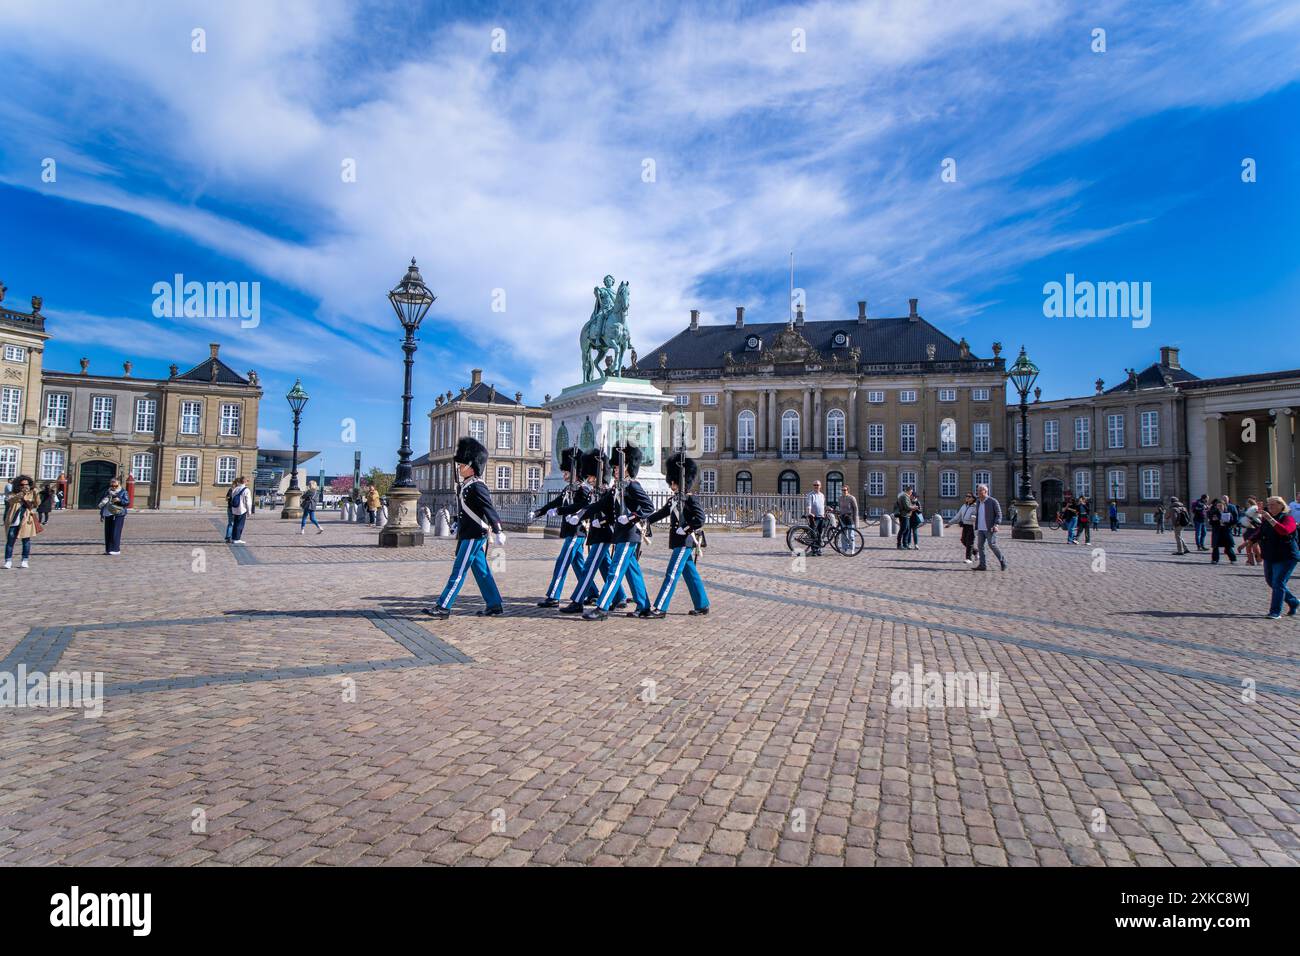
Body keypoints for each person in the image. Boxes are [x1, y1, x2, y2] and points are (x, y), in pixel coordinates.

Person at [425, 437, 505, 619]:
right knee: (482, 571)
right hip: (468, 533)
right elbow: (466, 511)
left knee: (458, 571)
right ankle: (494, 604)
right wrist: (456, 523)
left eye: (462, 465)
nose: (459, 468)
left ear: (471, 465)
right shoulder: (467, 486)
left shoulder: (477, 486)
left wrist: (498, 529)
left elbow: (488, 508)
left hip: (474, 535)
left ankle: (443, 606)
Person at [582, 444, 654, 621]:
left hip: (629, 535)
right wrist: (580, 513)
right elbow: (601, 505)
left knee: (615, 571)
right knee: (633, 570)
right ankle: (644, 606)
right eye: (614, 468)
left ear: (626, 467)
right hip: (621, 534)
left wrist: (631, 518)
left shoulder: (632, 486)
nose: (614, 470)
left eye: (616, 467)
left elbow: (649, 507)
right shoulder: (617, 487)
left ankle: (602, 607)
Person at [643, 452, 709, 618]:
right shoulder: (674, 500)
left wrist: (686, 528)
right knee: (690, 574)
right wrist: (646, 520)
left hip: (685, 541)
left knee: (671, 574)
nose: (671, 485)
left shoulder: (690, 499)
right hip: (679, 542)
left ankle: (660, 607)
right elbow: (661, 513)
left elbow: (700, 519)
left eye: (673, 482)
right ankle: (702, 604)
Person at [560, 450, 627, 614]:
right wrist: (579, 515)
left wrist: (601, 521)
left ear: (598, 476)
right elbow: (591, 508)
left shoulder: (605, 491)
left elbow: (613, 514)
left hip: (604, 534)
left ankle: (577, 600)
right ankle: (620, 597)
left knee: (589, 568)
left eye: (590, 476)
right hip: (596, 534)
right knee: (605, 566)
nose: (588, 479)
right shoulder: (594, 491)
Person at [531, 448, 591, 608]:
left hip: (577, 531)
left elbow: (585, 506)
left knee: (562, 562)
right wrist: (539, 512)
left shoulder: (583, 489)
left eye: (566, 472)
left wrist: (562, 511)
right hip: (571, 532)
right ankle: (592, 592)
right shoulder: (569, 488)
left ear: (576, 472)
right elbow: (556, 502)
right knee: (578, 564)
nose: (564, 475)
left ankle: (554, 595)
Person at [1257, 496, 1300, 619]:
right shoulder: (1266, 520)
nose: (1269, 507)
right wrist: (1248, 541)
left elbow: (1284, 531)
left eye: (1273, 505)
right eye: (1268, 505)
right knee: (1271, 581)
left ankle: (1275, 612)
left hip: (1287, 556)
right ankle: (1293, 601)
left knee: (1278, 582)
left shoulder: (1288, 518)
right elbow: (1261, 532)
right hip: (1271, 555)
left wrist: (1269, 518)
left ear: (1281, 506)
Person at [4, 475, 38, 569]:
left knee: (26, 540)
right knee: (10, 540)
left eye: (26, 484)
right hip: (14, 520)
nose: (25, 486)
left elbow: (36, 504)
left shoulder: (31, 493)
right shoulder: (13, 493)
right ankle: (8, 560)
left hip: (26, 520)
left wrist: (35, 494)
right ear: (18, 485)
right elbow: (11, 500)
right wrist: (21, 493)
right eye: (22, 485)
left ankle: (25, 560)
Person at [972, 483, 1006, 571]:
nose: (978, 493)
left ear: (986, 491)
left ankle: (1002, 561)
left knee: (992, 545)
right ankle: (982, 565)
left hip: (990, 528)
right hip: (980, 528)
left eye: (980, 491)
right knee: (980, 546)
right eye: (978, 491)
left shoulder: (993, 501)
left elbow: (999, 514)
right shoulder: (978, 502)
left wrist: (996, 524)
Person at [99, 477, 129, 555]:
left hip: (118, 513)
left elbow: (127, 502)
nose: (114, 487)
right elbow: (103, 504)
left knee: (115, 531)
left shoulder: (123, 492)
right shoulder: (107, 492)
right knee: (108, 532)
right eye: (112, 486)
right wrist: (101, 514)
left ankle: (116, 549)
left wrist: (119, 500)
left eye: (115, 486)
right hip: (108, 513)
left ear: (119, 484)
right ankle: (108, 549)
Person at [950, 491, 977, 564]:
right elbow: (958, 516)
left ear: (973, 498)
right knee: (963, 541)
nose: (967, 498)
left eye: (969, 496)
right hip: (965, 526)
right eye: (966, 496)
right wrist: (950, 523)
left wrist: (974, 517)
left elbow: (977, 516)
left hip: (972, 526)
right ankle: (975, 552)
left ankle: (968, 558)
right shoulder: (964, 506)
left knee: (969, 542)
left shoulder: (976, 506)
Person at [1207, 497, 1236, 564]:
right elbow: (1211, 522)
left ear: (1224, 505)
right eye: (1218, 506)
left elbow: (1232, 521)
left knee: (1228, 546)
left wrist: (1227, 522)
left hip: (1226, 531)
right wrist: (1213, 520)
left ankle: (1233, 559)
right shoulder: (1214, 512)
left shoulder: (1227, 512)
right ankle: (1215, 559)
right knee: (1215, 546)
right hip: (1217, 531)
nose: (1219, 507)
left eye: (1221, 505)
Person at [806, 480, 827, 556]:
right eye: (814, 485)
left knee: (820, 533)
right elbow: (809, 505)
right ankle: (814, 550)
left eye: (817, 485)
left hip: (821, 516)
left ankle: (819, 549)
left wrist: (825, 512)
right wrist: (809, 513)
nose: (816, 486)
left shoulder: (822, 495)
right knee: (813, 533)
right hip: (814, 517)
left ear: (820, 486)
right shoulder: (810, 495)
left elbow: (822, 505)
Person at [229, 476, 253, 543]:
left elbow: (232, 498)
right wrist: (249, 511)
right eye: (247, 481)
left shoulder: (236, 489)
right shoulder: (246, 490)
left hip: (235, 508)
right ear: (245, 482)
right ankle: (237, 539)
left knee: (235, 524)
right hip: (242, 509)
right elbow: (248, 502)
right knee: (240, 524)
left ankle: (233, 538)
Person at [1239, 497, 1262, 566]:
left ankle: (1259, 560)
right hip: (1247, 529)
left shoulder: (1255, 509)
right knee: (1249, 546)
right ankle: (1250, 560)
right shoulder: (1248, 510)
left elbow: (1259, 517)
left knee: (1255, 546)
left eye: (1248, 503)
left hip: (1254, 528)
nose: (1247, 504)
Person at [837, 487, 859, 553]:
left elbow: (855, 509)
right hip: (842, 518)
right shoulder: (840, 498)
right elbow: (839, 508)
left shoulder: (851, 498)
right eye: (842, 490)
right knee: (843, 534)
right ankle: (844, 548)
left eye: (845, 490)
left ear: (848, 490)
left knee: (851, 534)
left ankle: (852, 549)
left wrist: (855, 520)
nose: (843, 491)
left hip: (850, 518)